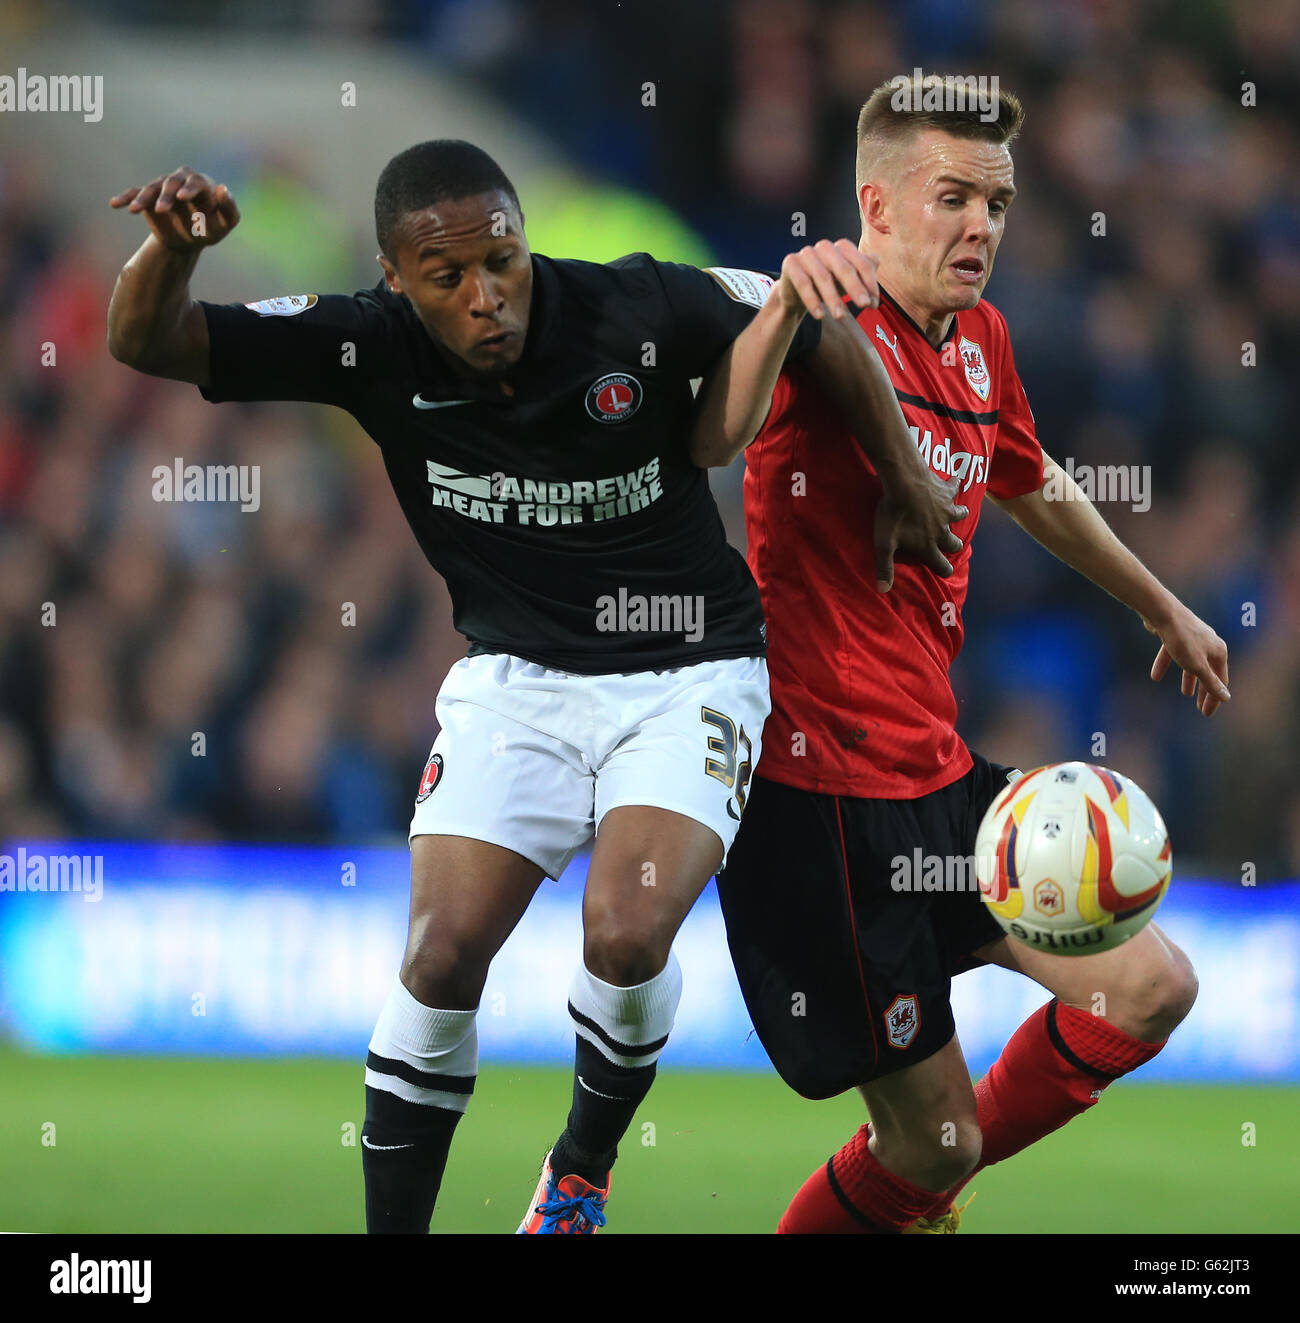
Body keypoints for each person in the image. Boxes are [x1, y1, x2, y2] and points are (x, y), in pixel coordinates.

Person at [106, 139, 962, 1233]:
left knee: (625, 929)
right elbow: (151, 342)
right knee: (439, 953)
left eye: (500, 261)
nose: (485, 297)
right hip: (515, 682)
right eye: (447, 278)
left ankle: (578, 1175)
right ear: (396, 276)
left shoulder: (634, 304)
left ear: (522, 240)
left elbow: (812, 320)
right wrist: (170, 256)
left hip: (687, 667)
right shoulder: (363, 344)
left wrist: (898, 471)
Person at [692, 76, 1229, 1234]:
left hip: (935, 777)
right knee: (935, 1146)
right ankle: (920, 1178)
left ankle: (922, 1183)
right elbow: (719, 432)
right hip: (820, 799)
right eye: (953, 198)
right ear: (875, 210)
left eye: (997, 201)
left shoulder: (980, 339)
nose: (981, 224)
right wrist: (782, 306)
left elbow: (1030, 482)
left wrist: (1160, 607)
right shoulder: (819, 326)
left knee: (1147, 990)